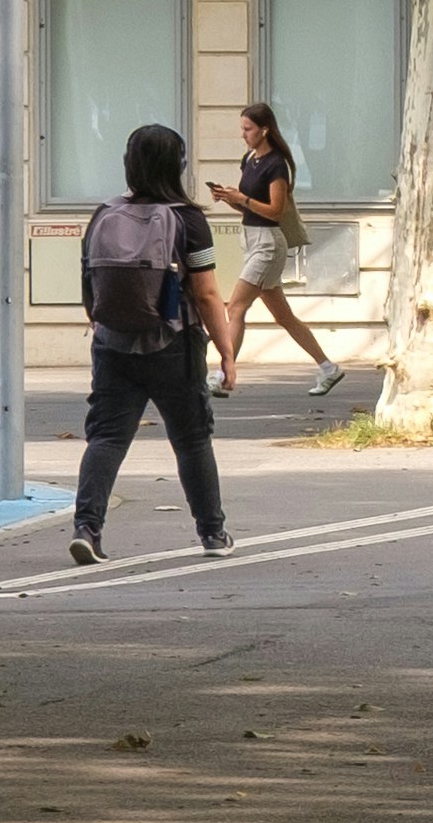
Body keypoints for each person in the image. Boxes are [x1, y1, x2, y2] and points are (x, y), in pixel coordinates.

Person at [69, 121, 234, 567]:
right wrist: (227, 352)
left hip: (111, 344)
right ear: (179, 166)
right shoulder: (188, 219)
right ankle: (213, 533)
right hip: (174, 345)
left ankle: (87, 528)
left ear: (129, 163)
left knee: (105, 439)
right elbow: (205, 292)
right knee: (193, 441)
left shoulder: (103, 213)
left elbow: (89, 282)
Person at [210, 93, 343, 405]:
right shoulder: (250, 161)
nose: (243, 135)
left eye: (247, 129)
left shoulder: (276, 165)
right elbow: (250, 210)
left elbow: (275, 210)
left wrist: (241, 199)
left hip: (269, 243)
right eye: (242, 129)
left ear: (264, 130)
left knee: (236, 307)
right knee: (284, 316)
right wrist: (230, 198)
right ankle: (328, 367)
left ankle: (223, 374)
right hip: (252, 238)